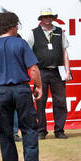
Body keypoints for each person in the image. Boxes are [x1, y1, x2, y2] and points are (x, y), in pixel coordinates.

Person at [0, 12, 43, 161]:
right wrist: (38, 86)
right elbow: (33, 68)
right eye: (16, 25)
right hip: (22, 89)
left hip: (2, 91)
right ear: (12, 26)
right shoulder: (21, 44)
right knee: (29, 127)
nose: (17, 28)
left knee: (5, 130)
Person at [29, 8, 70, 138]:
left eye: (50, 16)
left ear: (53, 18)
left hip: (58, 71)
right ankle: (41, 131)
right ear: (41, 19)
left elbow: (64, 52)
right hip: (40, 71)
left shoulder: (59, 32)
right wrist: (32, 70)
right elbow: (28, 53)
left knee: (60, 102)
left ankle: (59, 130)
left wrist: (67, 70)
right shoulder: (33, 33)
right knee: (40, 101)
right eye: (45, 17)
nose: (47, 19)